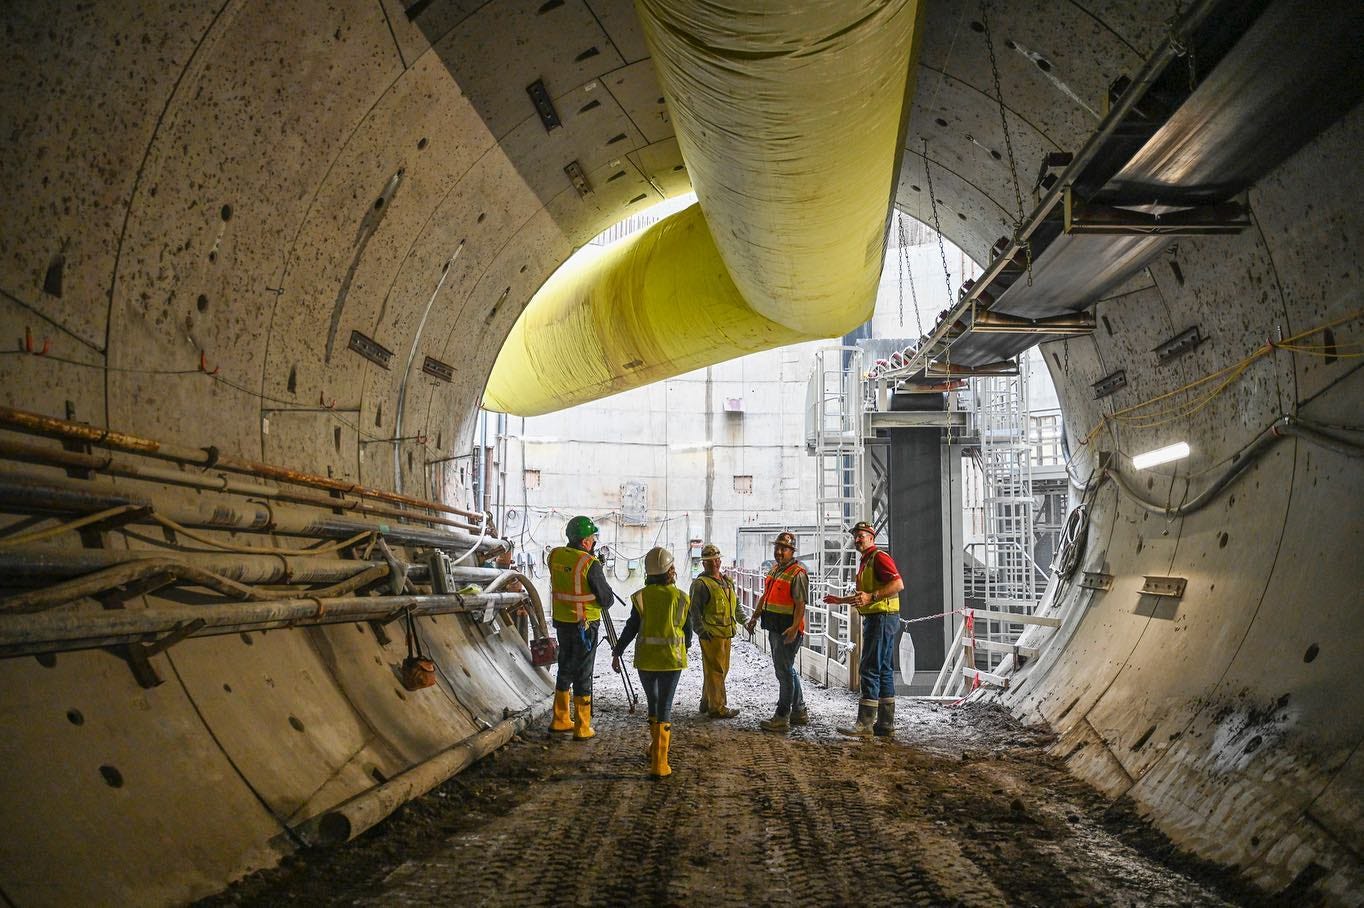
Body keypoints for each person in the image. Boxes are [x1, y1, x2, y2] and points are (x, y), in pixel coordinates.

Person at [611, 546, 692, 778]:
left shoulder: (641, 597)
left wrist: (617, 651)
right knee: (665, 705)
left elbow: (631, 628)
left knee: (653, 703)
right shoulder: (681, 598)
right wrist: (683, 648)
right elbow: (688, 632)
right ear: (670, 570)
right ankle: (660, 763)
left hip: (646, 660)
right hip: (671, 661)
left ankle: (654, 748)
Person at [825, 521, 905, 737]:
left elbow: (897, 584)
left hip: (880, 618)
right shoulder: (867, 560)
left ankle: (865, 724)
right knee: (884, 669)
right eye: (856, 536)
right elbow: (863, 597)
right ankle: (885, 724)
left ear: (872, 537)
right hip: (884, 618)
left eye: (861, 535)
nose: (857, 539)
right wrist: (840, 599)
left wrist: (873, 596)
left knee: (869, 667)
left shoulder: (878, 557)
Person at [547, 515, 614, 740]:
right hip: (585, 626)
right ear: (585, 541)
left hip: (563, 623)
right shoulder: (589, 564)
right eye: (593, 538)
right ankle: (582, 726)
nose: (594, 541)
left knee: (565, 667)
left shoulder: (554, 556)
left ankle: (560, 718)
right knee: (583, 673)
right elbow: (606, 600)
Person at [744, 531, 809, 733]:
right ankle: (798, 710)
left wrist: (794, 627)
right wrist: (755, 616)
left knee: (784, 672)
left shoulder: (797, 574)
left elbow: (800, 604)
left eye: (784, 549)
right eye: (777, 548)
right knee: (787, 669)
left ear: (792, 551)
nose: (779, 552)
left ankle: (782, 716)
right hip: (775, 627)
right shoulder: (775, 570)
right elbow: (765, 596)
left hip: (787, 630)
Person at [690, 543, 740, 718]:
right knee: (716, 671)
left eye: (716, 560)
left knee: (718, 670)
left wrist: (746, 622)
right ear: (704, 563)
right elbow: (694, 611)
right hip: (711, 634)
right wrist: (701, 631)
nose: (715, 564)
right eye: (710, 561)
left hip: (726, 633)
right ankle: (717, 707)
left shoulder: (727, 582)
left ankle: (707, 701)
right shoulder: (701, 584)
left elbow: (736, 606)